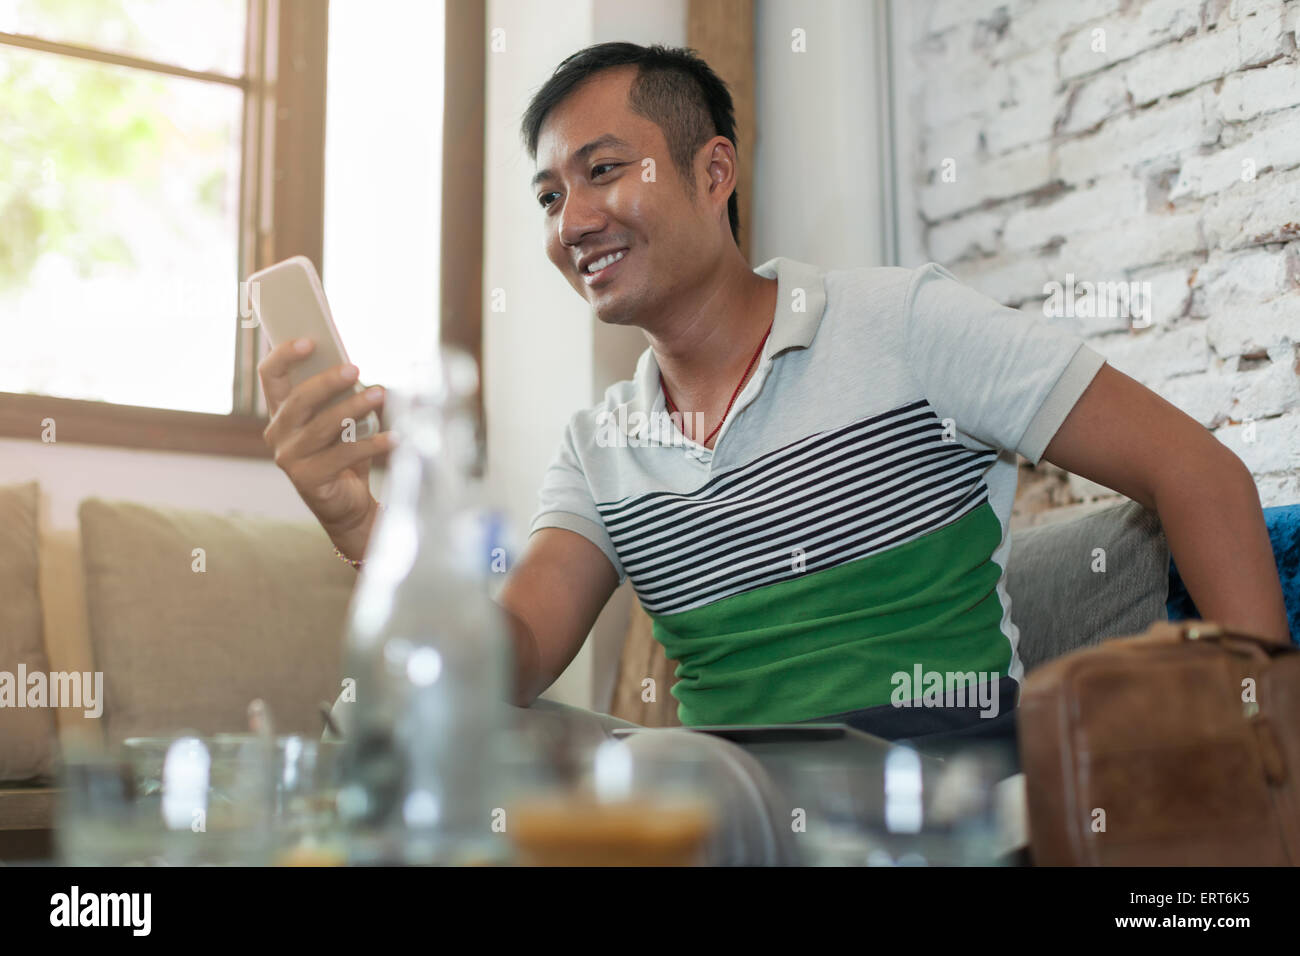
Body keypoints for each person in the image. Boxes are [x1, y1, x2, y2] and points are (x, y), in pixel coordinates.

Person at [260, 43, 1290, 765]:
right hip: (725, 807)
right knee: (472, 738)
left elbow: (1194, 470)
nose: (571, 221)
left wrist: (1265, 742)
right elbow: (504, 666)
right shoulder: (598, 447)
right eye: (546, 196)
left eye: (602, 171)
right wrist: (365, 524)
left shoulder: (903, 322)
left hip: (939, 784)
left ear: (714, 171)